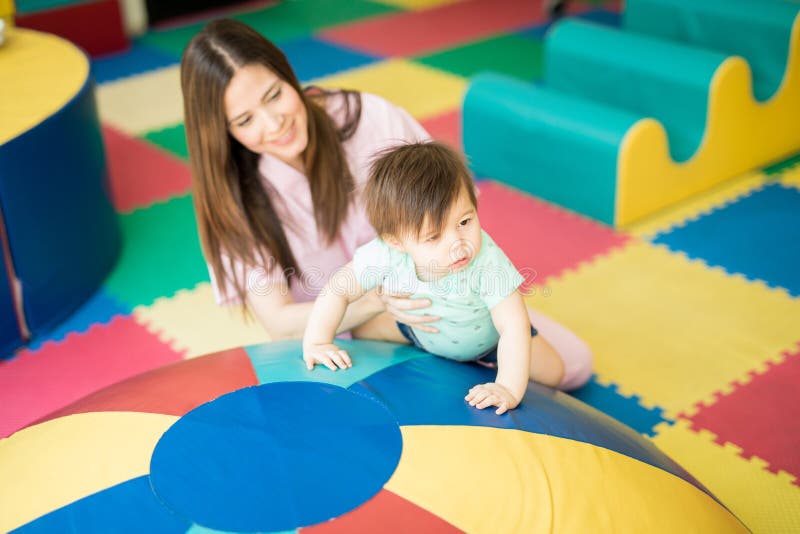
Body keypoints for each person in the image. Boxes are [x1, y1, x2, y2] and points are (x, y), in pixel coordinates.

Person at [181, 19, 592, 391]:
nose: (274, 124)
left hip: (444, 300)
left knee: (572, 366)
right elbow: (278, 322)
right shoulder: (232, 200)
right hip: (339, 333)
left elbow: (455, 211)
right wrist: (375, 302)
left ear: (289, 77)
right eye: (245, 120)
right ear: (223, 132)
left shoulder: (368, 119)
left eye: (274, 95)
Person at [304, 142, 576, 414]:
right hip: (421, 332)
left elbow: (513, 326)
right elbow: (337, 290)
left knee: (554, 373)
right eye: (434, 237)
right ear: (396, 241)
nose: (458, 243)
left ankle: (501, 323)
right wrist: (318, 341)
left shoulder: (487, 260)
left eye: (465, 222)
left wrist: (507, 387)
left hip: (490, 340)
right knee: (363, 329)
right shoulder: (384, 255)